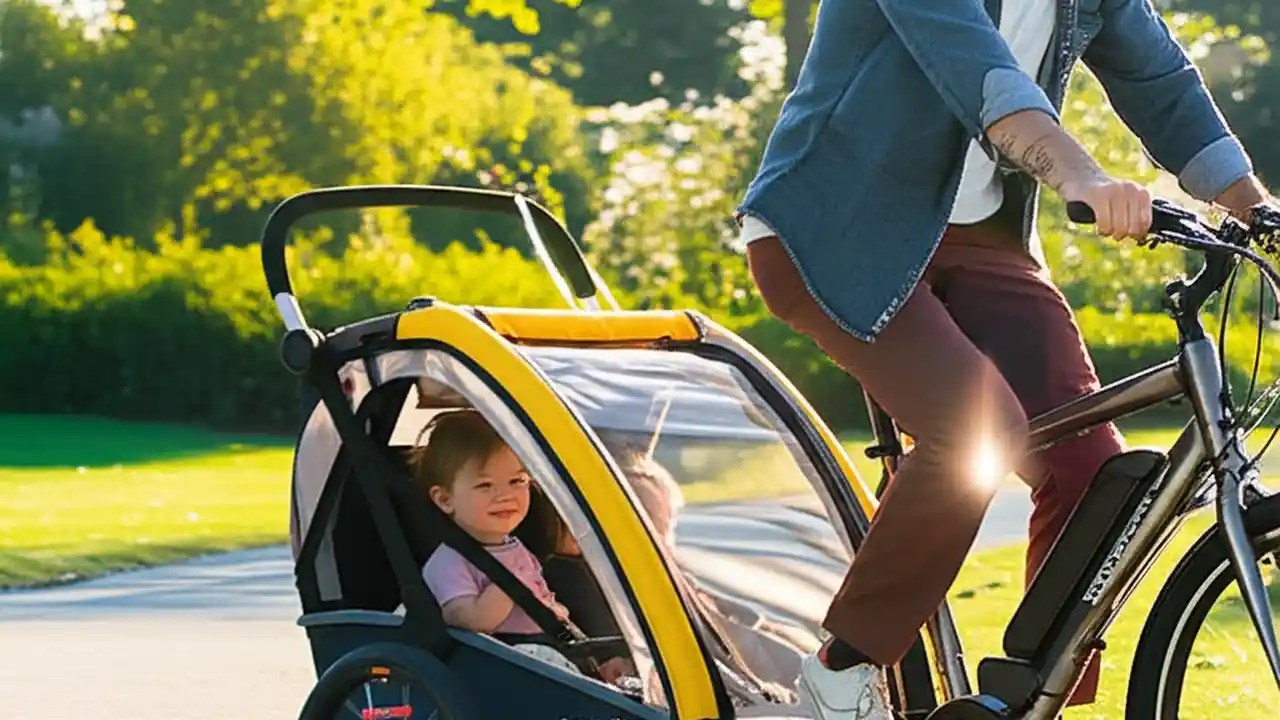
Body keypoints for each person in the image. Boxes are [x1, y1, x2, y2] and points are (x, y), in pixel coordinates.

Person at [736, 2, 1278, 718]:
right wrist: (1081, 179)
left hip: (980, 240)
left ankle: (1023, 702)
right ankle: (838, 678)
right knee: (974, 430)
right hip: (835, 229)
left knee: (1094, 473)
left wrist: (1258, 210)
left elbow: (1161, 81)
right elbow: (984, 78)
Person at [409, 409, 629, 683]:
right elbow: (468, 620)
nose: (506, 496)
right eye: (485, 485)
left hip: (547, 650)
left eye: (517, 481)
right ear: (445, 500)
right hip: (506, 663)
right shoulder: (449, 561)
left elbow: (541, 604)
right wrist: (509, 584)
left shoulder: (515, 548)